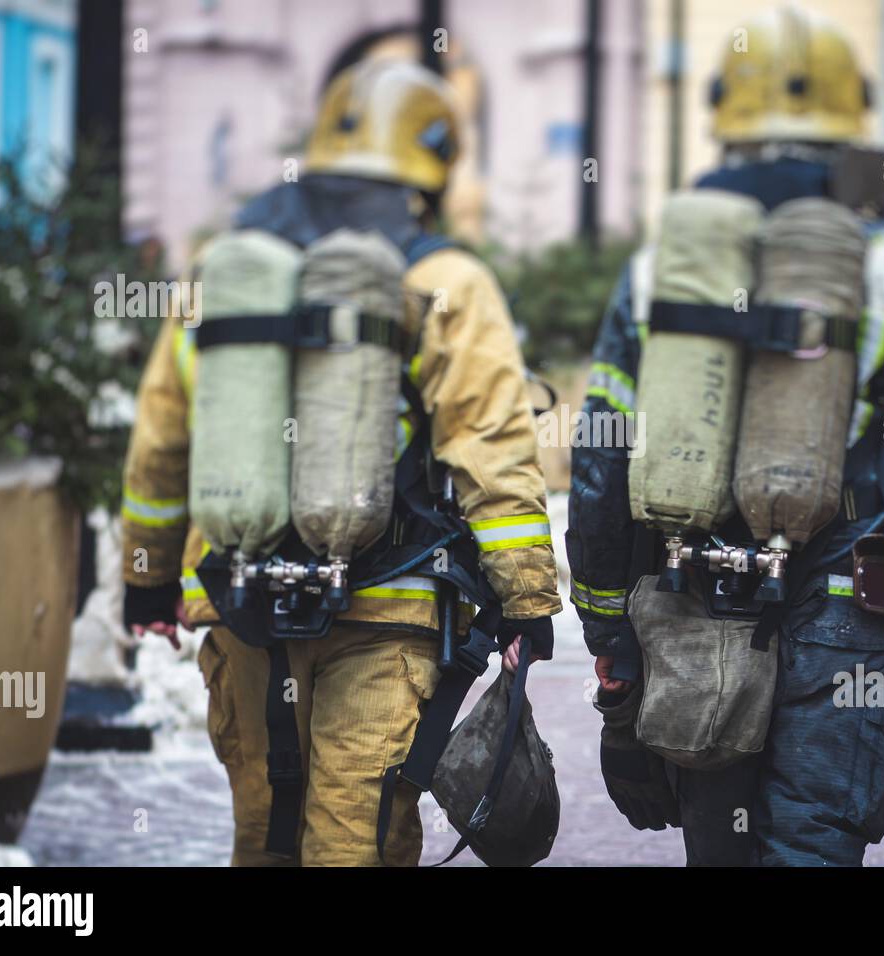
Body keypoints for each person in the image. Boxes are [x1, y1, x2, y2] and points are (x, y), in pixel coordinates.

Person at [567, 5, 884, 866]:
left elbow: (600, 469)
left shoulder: (660, 269)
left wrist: (611, 634)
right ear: (850, 124)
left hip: (694, 602)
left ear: (725, 121)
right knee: (812, 851)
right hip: (847, 611)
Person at [120, 48, 560, 866]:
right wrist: (526, 599)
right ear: (431, 165)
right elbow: (489, 443)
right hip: (383, 603)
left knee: (261, 825)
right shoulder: (444, 277)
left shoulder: (226, 267)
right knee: (355, 836)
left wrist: (144, 578)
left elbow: (162, 436)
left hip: (238, 594)